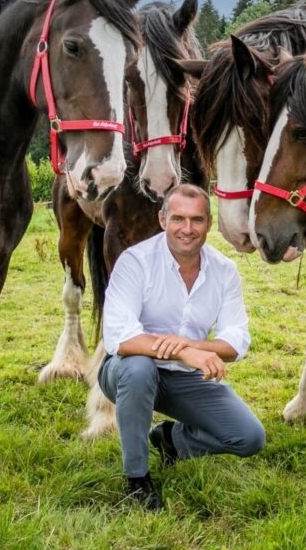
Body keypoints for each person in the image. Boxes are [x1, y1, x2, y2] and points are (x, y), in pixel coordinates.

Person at [96, 183, 266, 509]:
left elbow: (236, 341)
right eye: (178, 219)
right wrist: (187, 351)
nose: (187, 229)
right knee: (139, 368)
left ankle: (172, 440)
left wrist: (189, 344)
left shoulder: (224, 271)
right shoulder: (135, 262)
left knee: (249, 437)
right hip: (125, 372)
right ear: (162, 220)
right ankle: (137, 479)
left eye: (197, 220)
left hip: (185, 377)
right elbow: (122, 337)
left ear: (209, 224)